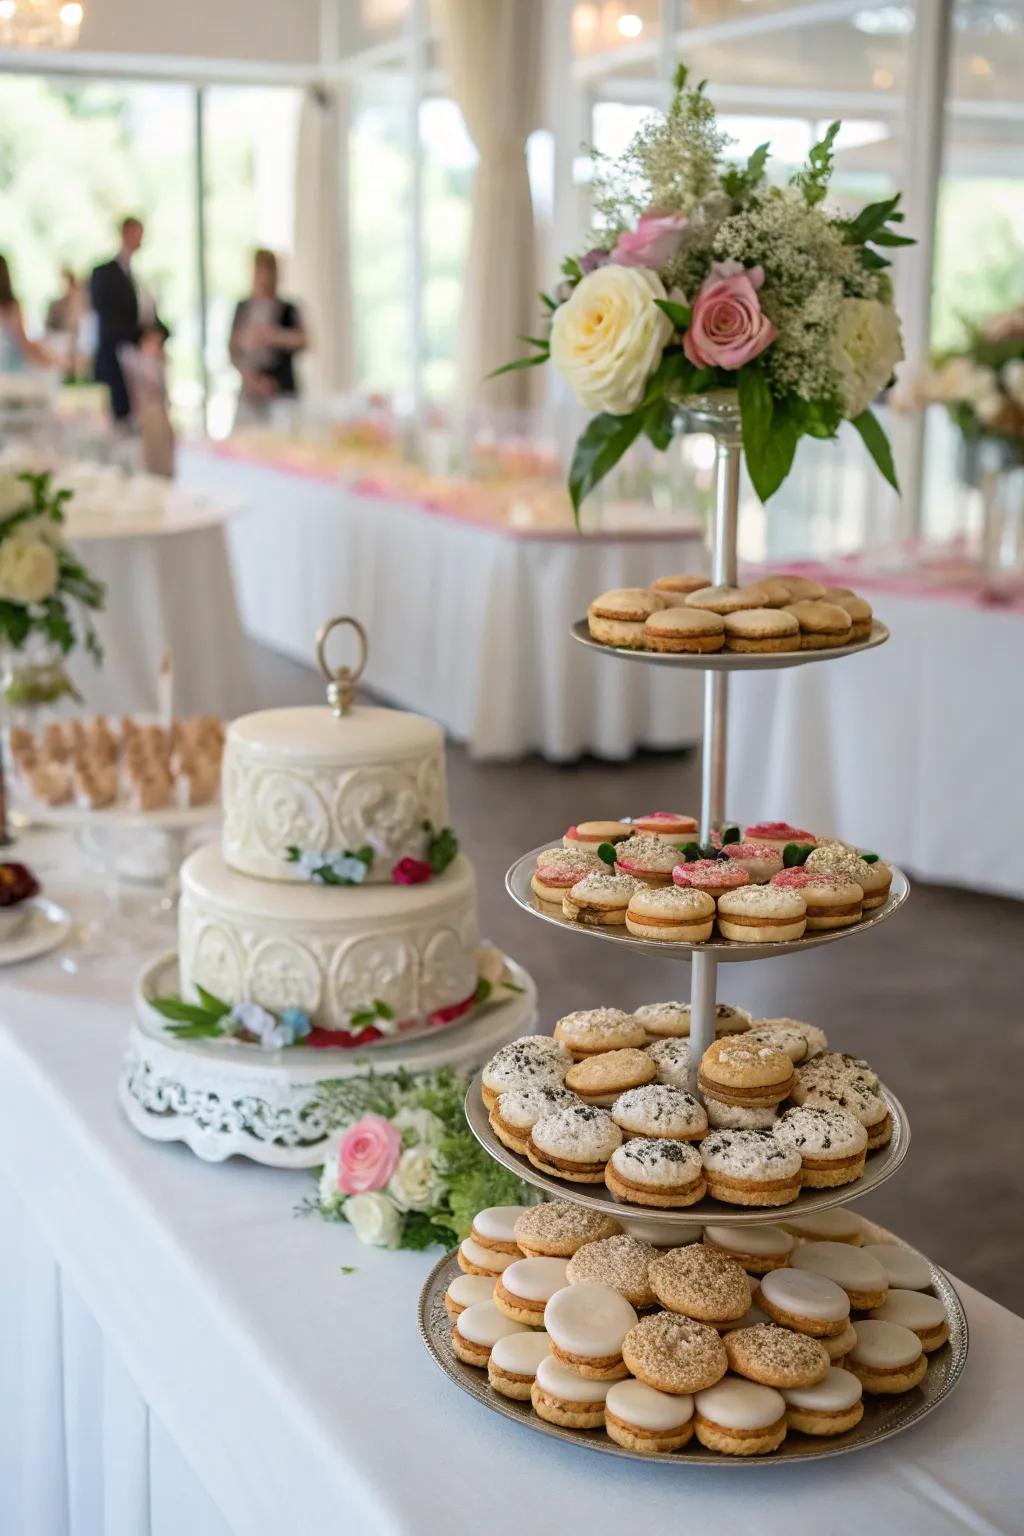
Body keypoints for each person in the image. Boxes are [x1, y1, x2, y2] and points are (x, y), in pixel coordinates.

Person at [90, 216, 160, 422]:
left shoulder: (139, 278)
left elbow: (147, 316)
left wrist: (157, 335)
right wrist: (140, 337)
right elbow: (109, 318)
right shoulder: (105, 273)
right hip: (116, 360)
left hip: (139, 360)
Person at [229, 249, 307, 429]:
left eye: (267, 270)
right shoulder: (242, 308)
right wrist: (251, 379)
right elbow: (232, 350)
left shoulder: (288, 308)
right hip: (250, 393)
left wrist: (274, 336)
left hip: (281, 392)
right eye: (259, 270)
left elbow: (304, 340)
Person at [119, 322, 175, 477]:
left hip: (160, 415)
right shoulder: (134, 361)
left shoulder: (159, 364)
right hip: (144, 416)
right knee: (148, 460)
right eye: (150, 340)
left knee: (163, 458)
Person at [0, 254, 58, 372]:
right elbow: (25, 345)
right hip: (9, 376)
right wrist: (55, 361)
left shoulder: (11, 307)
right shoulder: (11, 307)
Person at [45, 267, 88, 380]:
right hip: (60, 346)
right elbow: (49, 328)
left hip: (77, 348)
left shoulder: (82, 305)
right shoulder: (55, 305)